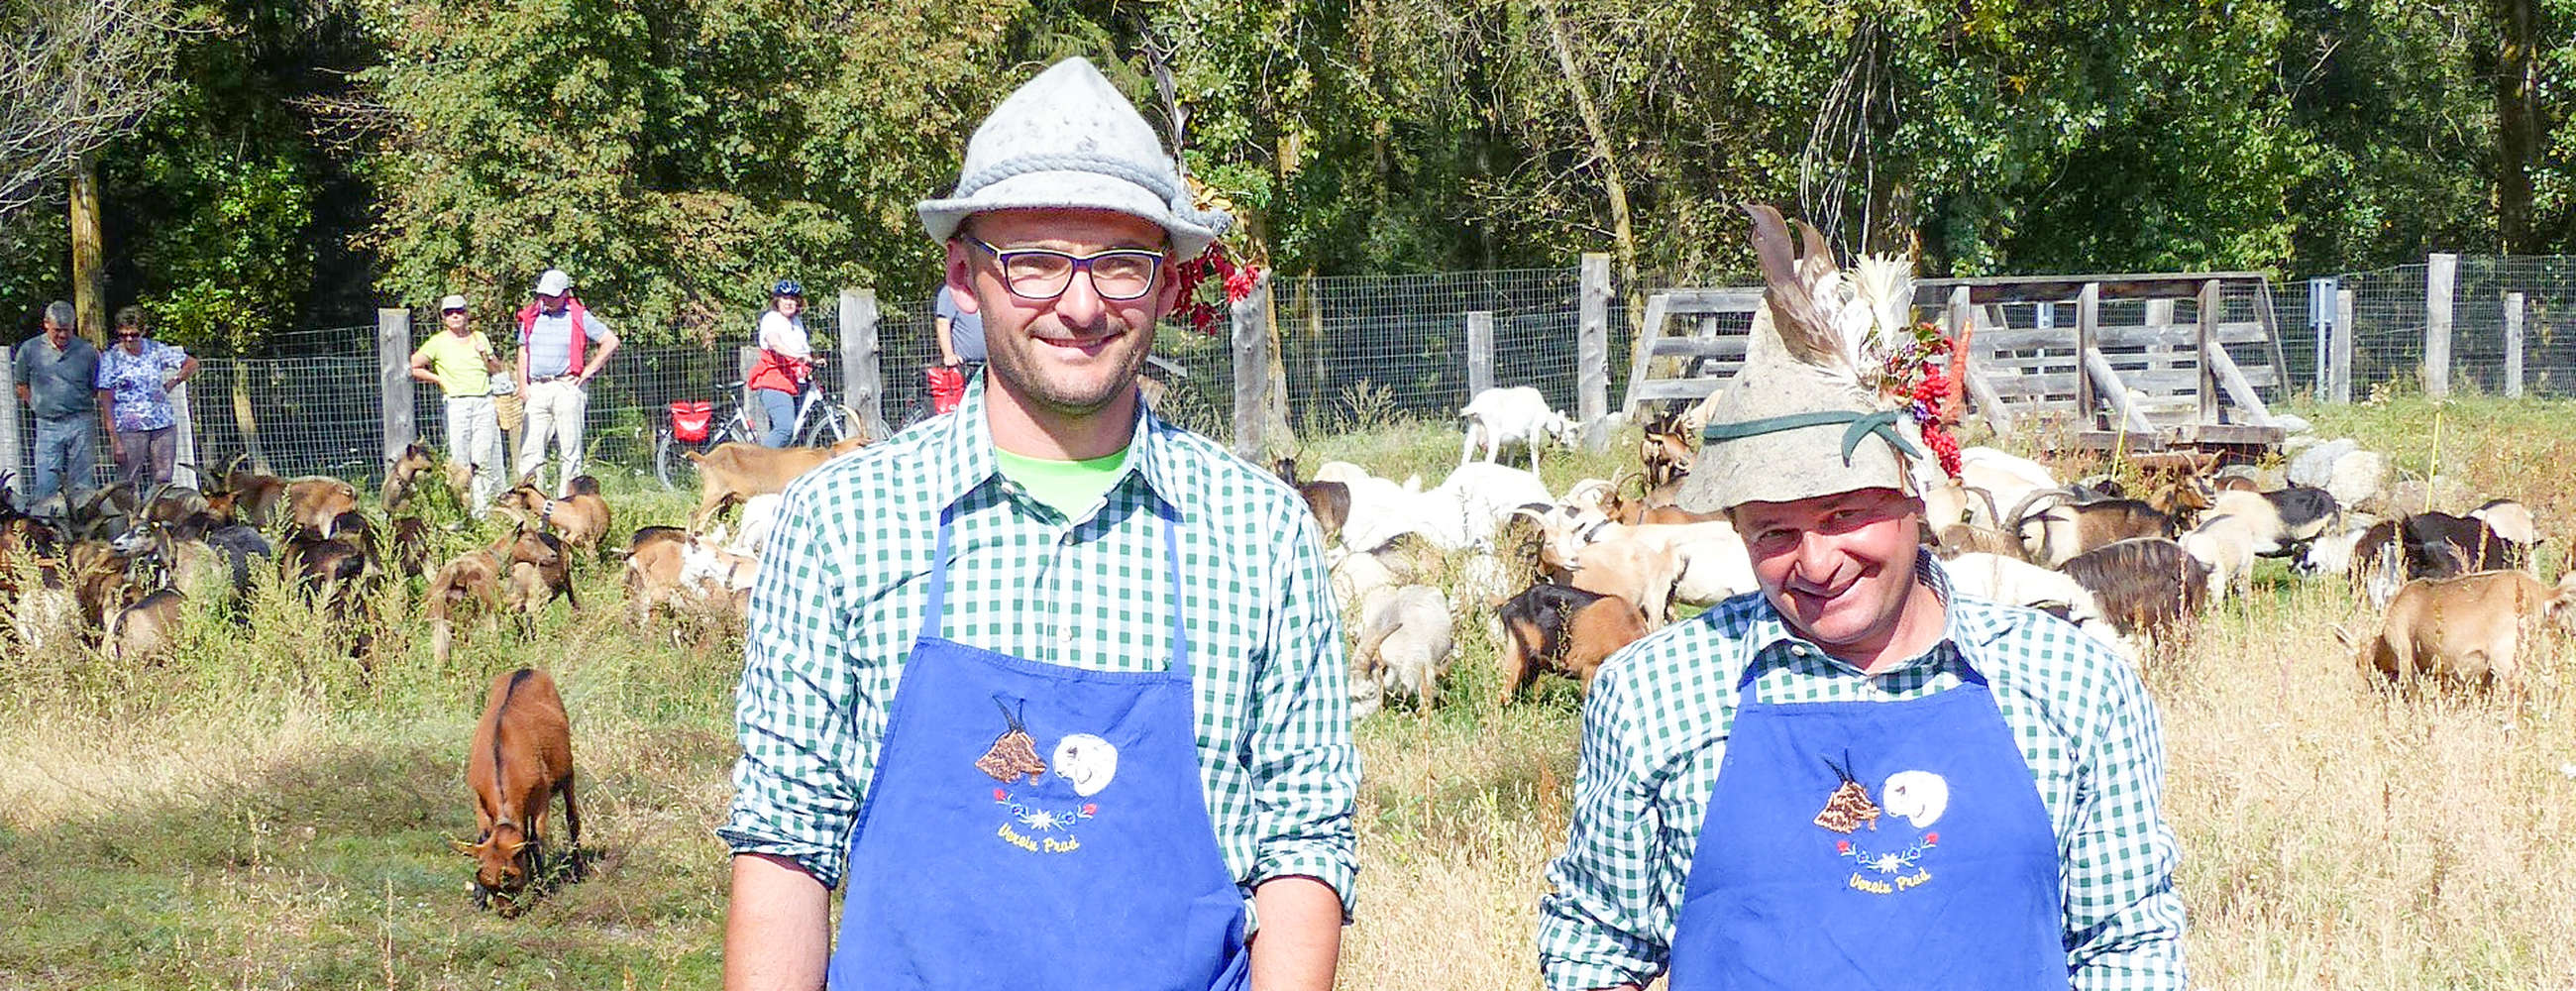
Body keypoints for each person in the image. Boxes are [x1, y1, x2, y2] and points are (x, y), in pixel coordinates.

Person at [720, 57, 1358, 991]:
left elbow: (1303, 846)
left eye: (1122, 264)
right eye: (1034, 261)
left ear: (1171, 285)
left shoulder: (1260, 534)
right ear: (965, 277)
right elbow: (785, 848)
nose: (1082, 302)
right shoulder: (840, 525)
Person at [1535, 206, 2187, 991]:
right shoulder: (1655, 696)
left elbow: (2128, 946)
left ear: (1913, 492)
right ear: (1734, 526)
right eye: (1773, 531)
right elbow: (1593, 946)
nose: (1815, 562)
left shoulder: (2073, 685)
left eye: (1845, 513)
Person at [513, 268, 620, 496]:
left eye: (552, 295)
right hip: (537, 388)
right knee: (530, 451)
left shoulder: (579, 315)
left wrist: (586, 372)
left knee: (570, 451)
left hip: (566, 387)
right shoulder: (531, 315)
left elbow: (610, 341)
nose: (547, 300)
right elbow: (523, 351)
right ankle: (530, 502)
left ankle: (568, 504)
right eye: (543, 295)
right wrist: (523, 386)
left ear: (565, 293)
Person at [409, 294, 509, 513]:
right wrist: (439, 379)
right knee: (460, 459)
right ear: (443, 317)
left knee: (482, 458)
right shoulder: (437, 342)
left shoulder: (478, 337)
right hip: (457, 404)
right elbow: (413, 365)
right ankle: (463, 508)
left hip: (483, 402)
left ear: (466, 313)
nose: (455, 315)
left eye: (459, 311)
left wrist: (486, 355)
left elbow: (496, 369)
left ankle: (484, 510)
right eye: (449, 312)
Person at [92, 305, 198, 492]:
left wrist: (174, 381)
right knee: (127, 480)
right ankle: (127, 518)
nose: (129, 339)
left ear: (143, 331)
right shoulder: (111, 359)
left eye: (133, 334)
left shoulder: (155, 349)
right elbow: (106, 401)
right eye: (123, 335)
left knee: (163, 477)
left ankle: (159, 516)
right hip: (130, 427)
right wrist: (114, 439)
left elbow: (191, 363)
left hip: (162, 423)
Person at [14, 300, 101, 507]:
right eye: (57, 330)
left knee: (82, 482)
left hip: (81, 422)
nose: (62, 335)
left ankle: (82, 529)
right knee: (46, 481)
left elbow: (96, 387)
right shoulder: (29, 350)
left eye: (67, 330)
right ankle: (46, 526)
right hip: (47, 424)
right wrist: (36, 406)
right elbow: (21, 385)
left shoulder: (87, 352)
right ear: (46, 324)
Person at [748, 279, 821, 447]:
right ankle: (760, 464)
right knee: (785, 429)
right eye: (785, 298)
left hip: (793, 382)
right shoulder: (772, 319)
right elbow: (775, 343)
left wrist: (813, 360)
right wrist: (798, 356)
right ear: (777, 301)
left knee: (795, 433)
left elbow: (803, 350)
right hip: (773, 381)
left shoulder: (797, 323)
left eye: (793, 298)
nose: (789, 302)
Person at [926, 282, 985, 415]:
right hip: (964, 369)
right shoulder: (951, 292)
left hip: (989, 367)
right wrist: (949, 354)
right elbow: (942, 322)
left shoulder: (984, 289)